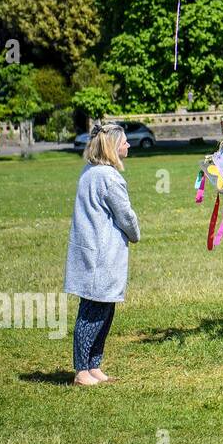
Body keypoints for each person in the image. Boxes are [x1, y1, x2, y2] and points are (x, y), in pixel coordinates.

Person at [64, 123, 140, 386]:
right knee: (93, 312)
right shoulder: (109, 177)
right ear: (113, 146)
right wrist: (135, 232)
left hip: (93, 250)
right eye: (124, 142)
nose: (128, 145)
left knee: (104, 309)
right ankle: (81, 369)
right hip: (101, 254)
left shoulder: (90, 172)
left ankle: (94, 365)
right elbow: (125, 215)